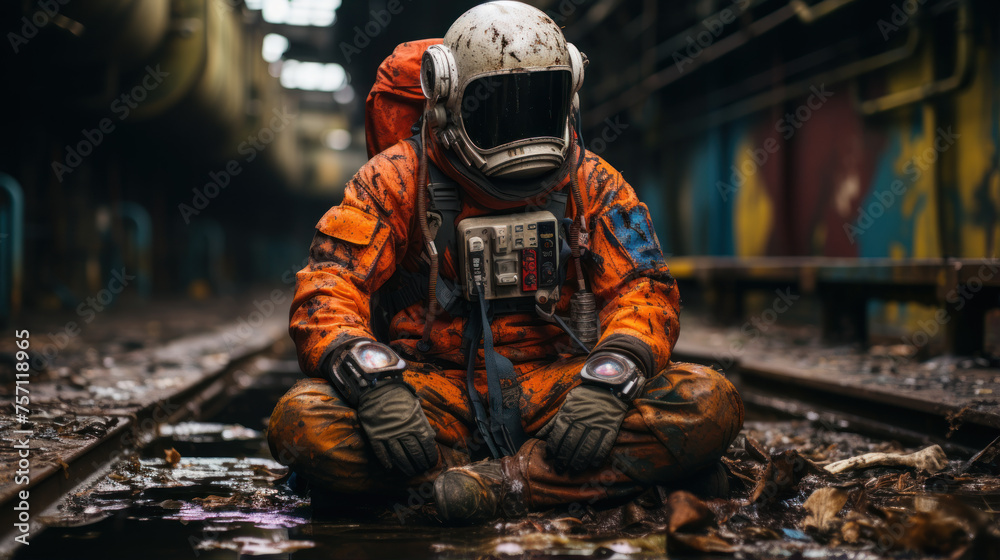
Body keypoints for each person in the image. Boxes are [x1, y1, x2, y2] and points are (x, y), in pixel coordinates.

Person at [268, 0, 744, 523]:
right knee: (301, 421)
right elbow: (329, 288)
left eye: (537, 102)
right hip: (430, 393)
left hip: (560, 391)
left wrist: (612, 381)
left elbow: (645, 291)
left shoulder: (592, 183)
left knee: (708, 400)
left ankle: (481, 489)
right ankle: (577, 481)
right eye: (497, 107)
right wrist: (373, 385)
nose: (520, 125)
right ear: (447, 96)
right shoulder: (396, 180)